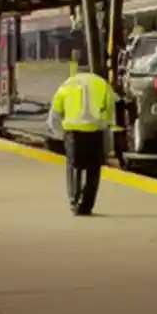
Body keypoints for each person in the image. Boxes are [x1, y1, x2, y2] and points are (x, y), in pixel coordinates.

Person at [47, 71, 117, 215]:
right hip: (95, 132)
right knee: (94, 169)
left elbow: (54, 116)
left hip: (73, 133)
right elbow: (110, 116)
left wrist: (61, 135)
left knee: (74, 166)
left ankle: (75, 201)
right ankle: (87, 205)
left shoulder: (67, 85)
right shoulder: (103, 85)